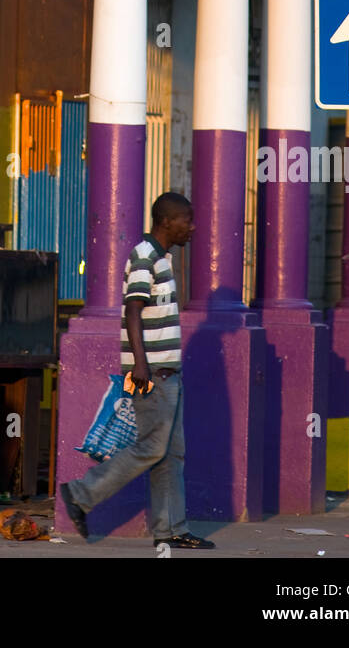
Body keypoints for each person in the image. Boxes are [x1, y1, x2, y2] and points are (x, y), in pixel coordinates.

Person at [60, 191, 214, 551]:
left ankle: (171, 529)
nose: (192, 227)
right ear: (166, 222)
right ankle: (81, 494)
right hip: (153, 374)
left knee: (171, 455)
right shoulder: (144, 257)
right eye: (186, 220)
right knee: (151, 448)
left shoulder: (162, 259)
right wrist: (141, 365)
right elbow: (132, 310)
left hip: (167, 372)